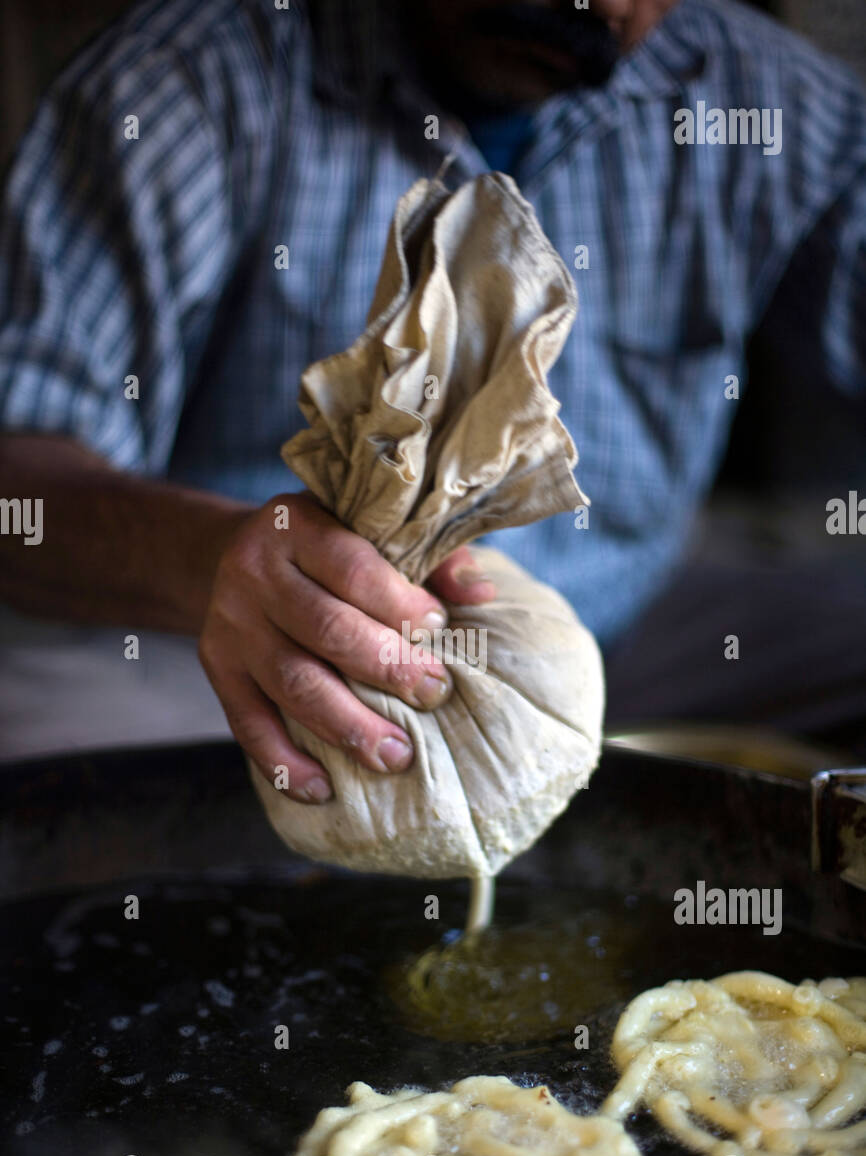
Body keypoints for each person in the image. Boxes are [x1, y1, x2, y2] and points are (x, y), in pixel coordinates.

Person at [0, 0, 864, 791]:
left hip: (615, 632)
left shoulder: (752, 99)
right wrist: (216, 558)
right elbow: (21, 480)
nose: (594, 5)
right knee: (50, 738)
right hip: (249, 644)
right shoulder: (196, 75)